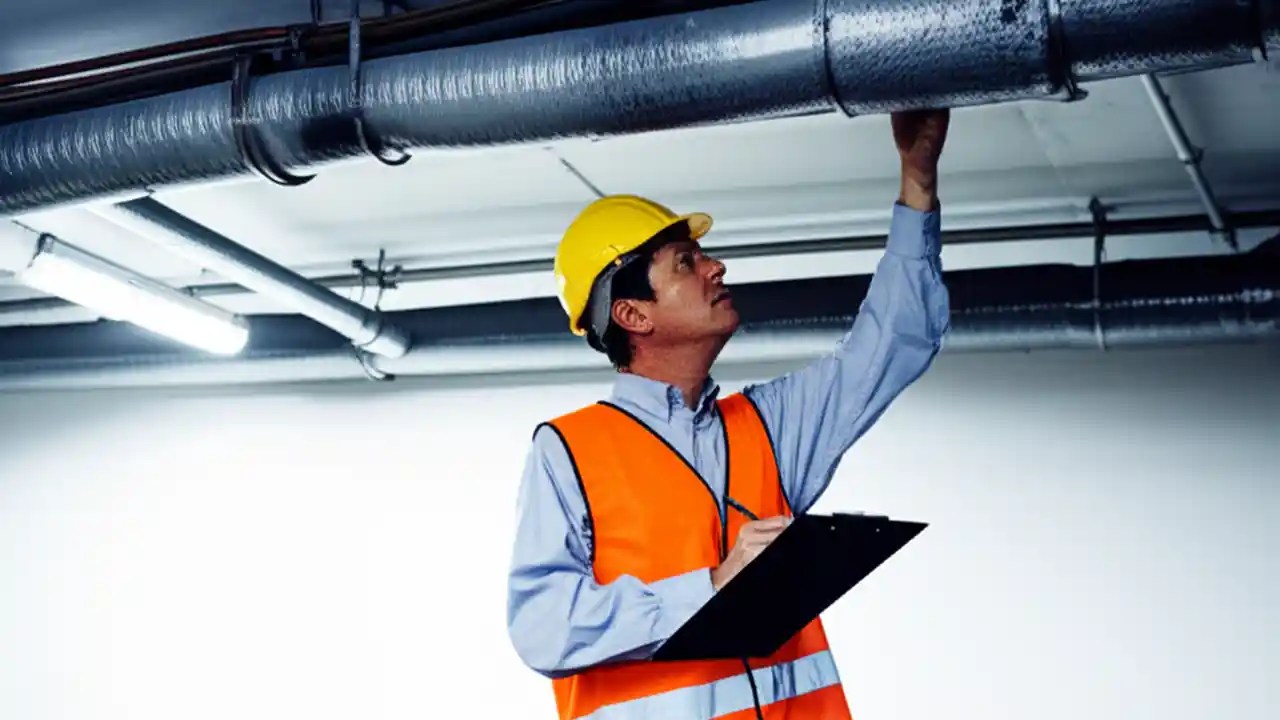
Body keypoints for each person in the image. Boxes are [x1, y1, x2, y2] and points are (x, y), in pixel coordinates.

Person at [507, 109, 953, 720]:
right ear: (634, 316)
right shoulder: (568, 451)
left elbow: (897, 340)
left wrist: (917, 181)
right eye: (686, 263)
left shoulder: (767, 427)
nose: (716, 267)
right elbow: (542, 627)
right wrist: (711, 587)